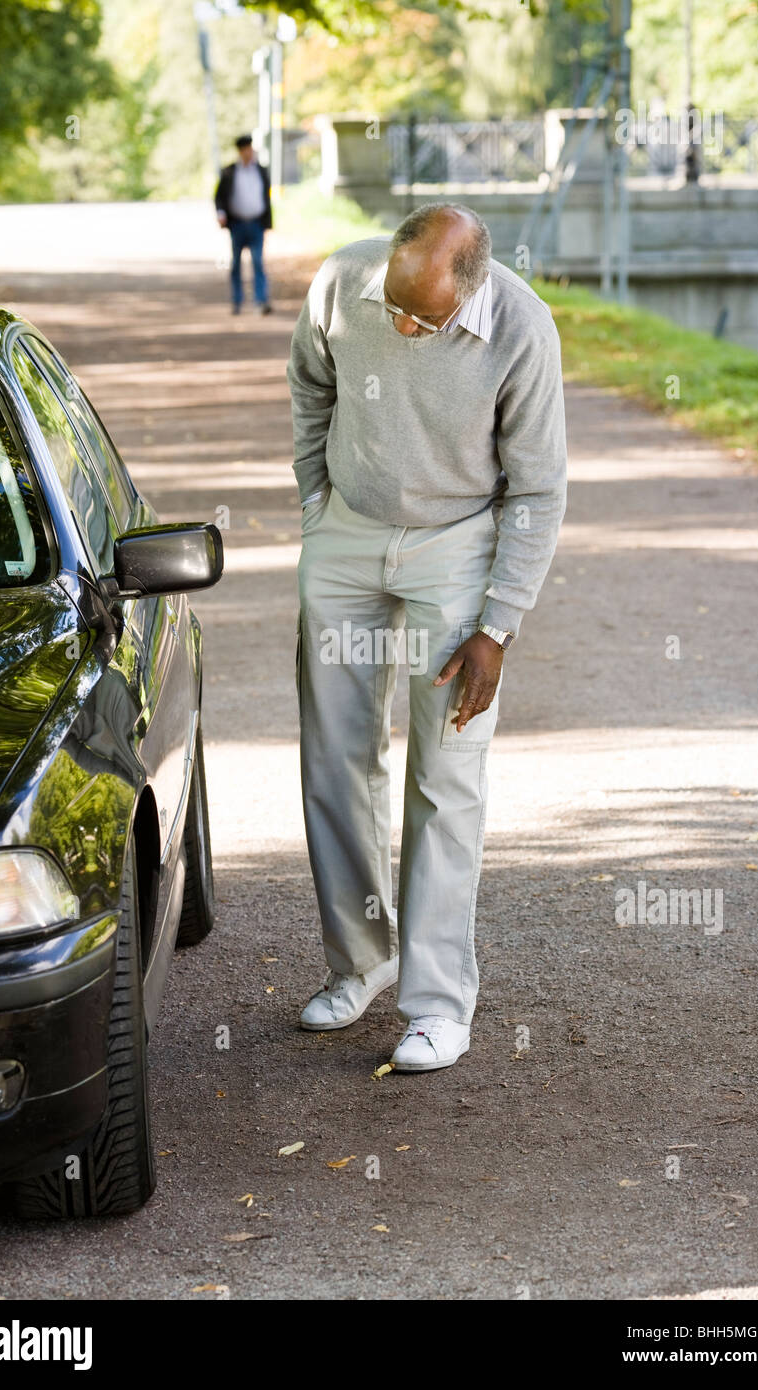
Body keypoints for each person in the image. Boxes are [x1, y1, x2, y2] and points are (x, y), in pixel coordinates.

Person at [286, 203, 568, 1072]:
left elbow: (538, 489)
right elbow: (310, 390)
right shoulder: (344, 280)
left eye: (425, 316)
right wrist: (315, 513)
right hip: (350, 534)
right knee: (335, 756)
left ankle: (438, 1004)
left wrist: (497, 628)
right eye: (396, 305)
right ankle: (362, 961)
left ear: (472, 288)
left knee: (445, 776)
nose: (404, 325)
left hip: (458, 545)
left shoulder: (521, 328)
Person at [214, 135, 273, 315]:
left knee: (257, 262)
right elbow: (219, 196)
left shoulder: (261, 171)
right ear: (240, 151)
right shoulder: (230, 171)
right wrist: (221, 213)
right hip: (237, 224)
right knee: (236, 263)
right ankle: (237, 301)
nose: (249, 152)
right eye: (246, 149)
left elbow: (266, 197)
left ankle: (261, 300)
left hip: (256, 223)